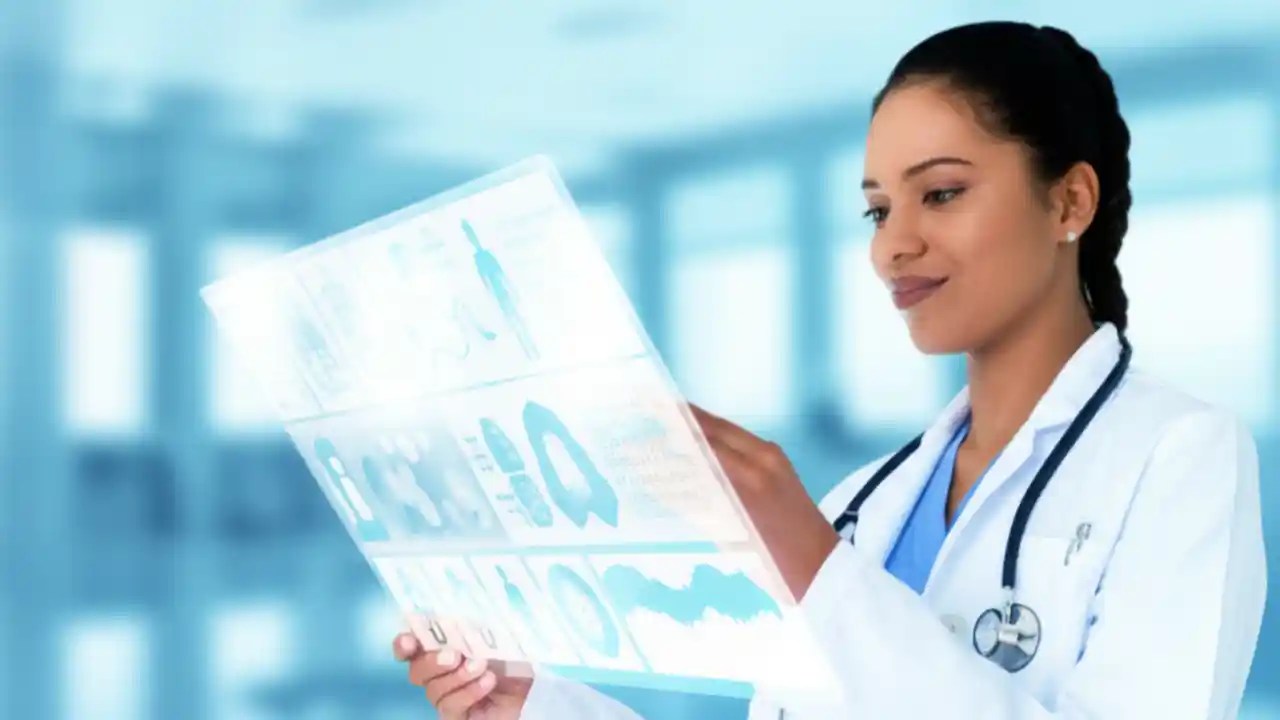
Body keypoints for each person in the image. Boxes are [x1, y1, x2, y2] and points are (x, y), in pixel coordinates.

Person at [390, 21, 1267, 719]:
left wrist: (817, 572)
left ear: (1069, 200)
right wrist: (539, 707)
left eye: (943, 192)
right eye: (878, 208)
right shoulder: (861, 506)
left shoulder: (1178, 456)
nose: (895, 245)